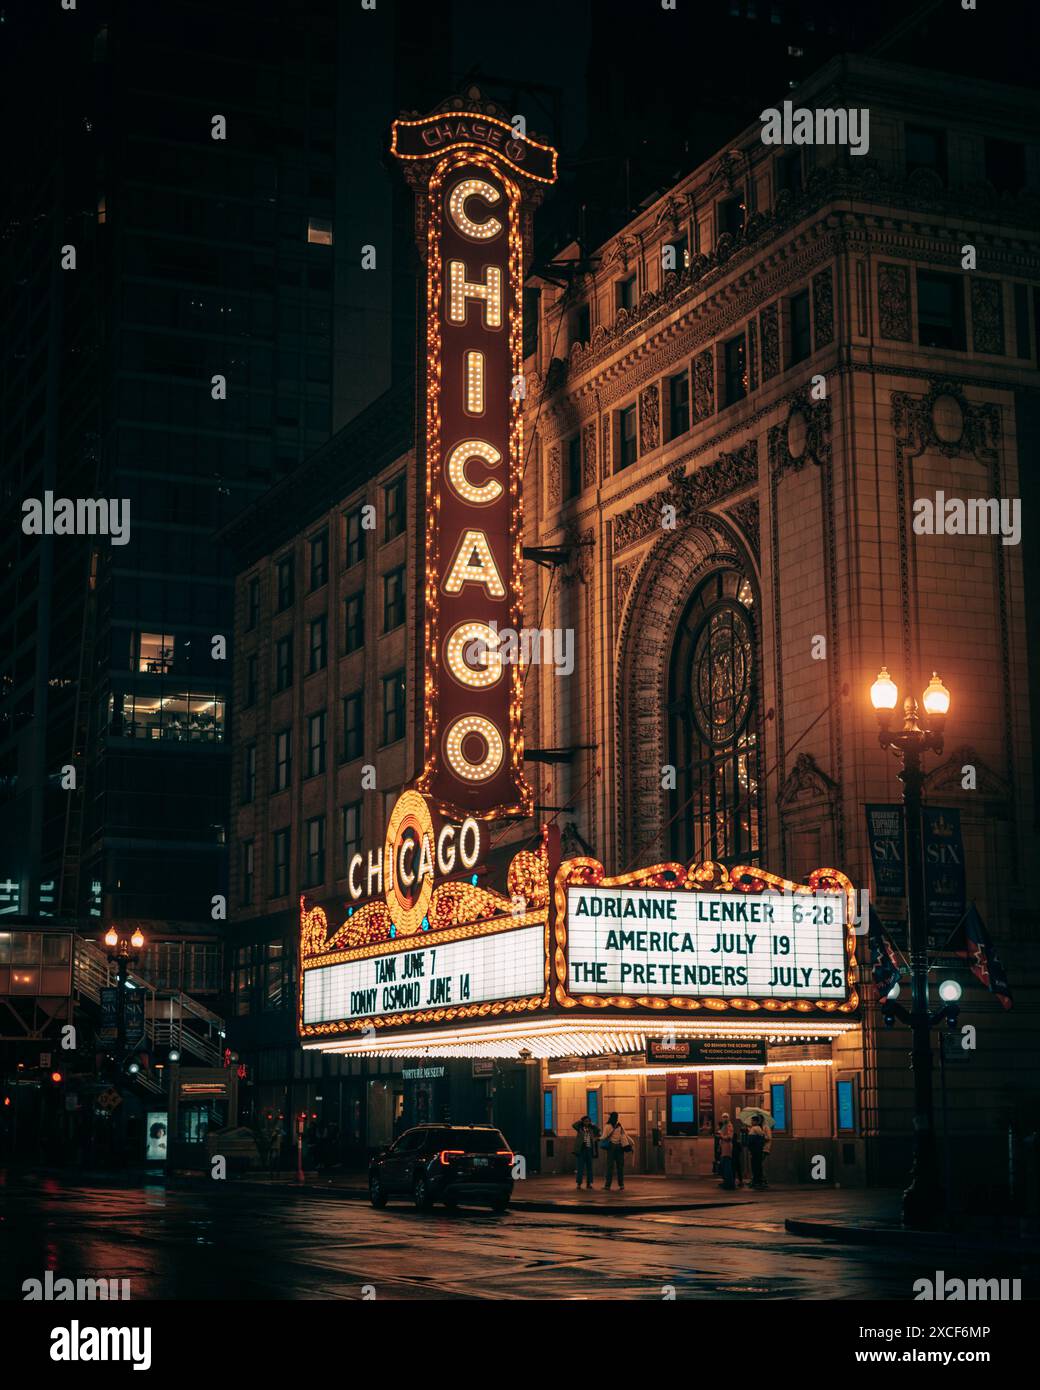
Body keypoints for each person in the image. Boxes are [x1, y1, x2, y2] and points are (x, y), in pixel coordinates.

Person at [602, 1111, 634, 1191]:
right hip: (620, 1147)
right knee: (620, 1167)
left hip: (611, 1147)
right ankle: (621, 1185)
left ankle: (607, 1185)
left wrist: (598, 1138)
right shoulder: (620, 1125)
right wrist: (630, 1143)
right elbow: (624, 1135)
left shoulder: (608, 1126)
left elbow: (604, 1136)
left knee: (610, 1167)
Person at [572, 1114, 600, 1190]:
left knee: (590, 1168)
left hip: (589, 1150)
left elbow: (598, 1131)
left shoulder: (592, 1129)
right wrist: (580, 1121)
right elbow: (574, 1125)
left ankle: (589, 1183)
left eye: (588, 1121)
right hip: (581, 1151)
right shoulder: (580, 1128)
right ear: (583, 1122)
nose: (587, 1122)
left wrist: (593, 1125)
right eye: (585, 1121)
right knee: (580, 1168)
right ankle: (579, 1183)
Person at [747, 1116, 768, 1188]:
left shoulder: (755, 1128)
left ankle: (757, 1180)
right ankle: (758, 1180)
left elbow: (752, 1140)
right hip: (757, 1150)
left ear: (756, 1121)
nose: (751, 1122)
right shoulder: (757, 1129)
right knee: (757, 1166)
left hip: (755, 1151)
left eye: (752, 1121)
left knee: (755, 1166)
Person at [716, 1113, 735, 1190]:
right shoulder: (724, 1126)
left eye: (726, 1117)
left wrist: (721, 1136)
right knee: (724, 1166)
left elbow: (729, 1137)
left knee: (727, 1166)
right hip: (723, 1147)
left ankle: (729, 1183)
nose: (724, 1118)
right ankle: (726, 1182)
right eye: (723, 1117)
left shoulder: (729, 1125)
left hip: (727, 1148)